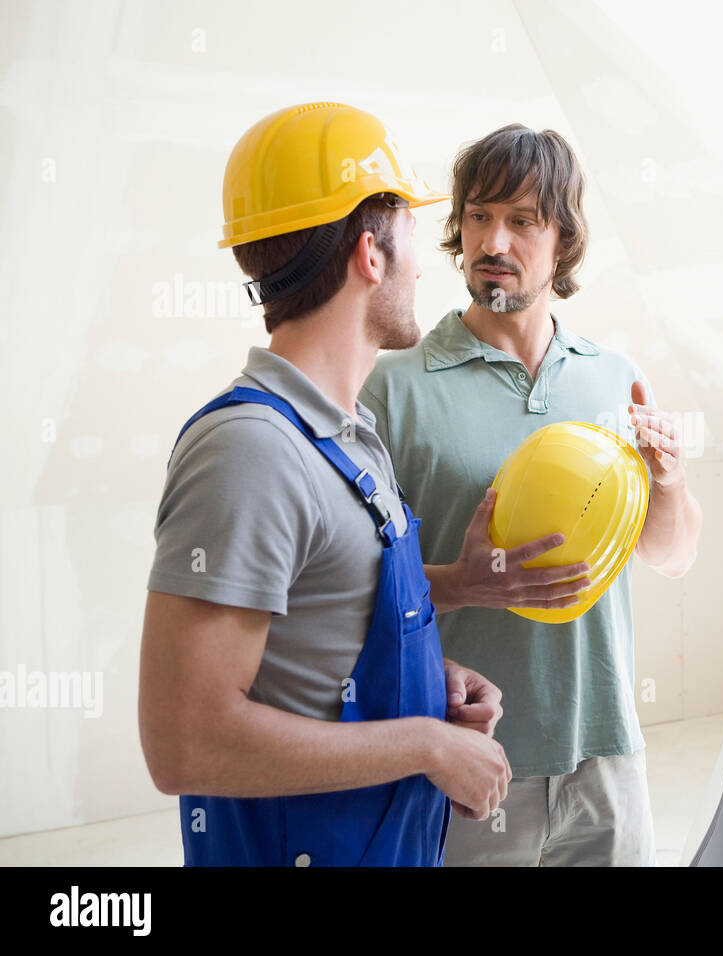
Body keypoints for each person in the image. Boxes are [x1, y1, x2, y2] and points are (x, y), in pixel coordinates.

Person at [138, 103, 511, 867]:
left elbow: (318, 624)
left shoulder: (346, 433)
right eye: (410, 234)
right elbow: (185, 741)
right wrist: (424, 744)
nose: (419, 263)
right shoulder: (250, 451)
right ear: (370, 253)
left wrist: (418, 682)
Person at [362, 124, 702, 866]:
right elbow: (353, 587)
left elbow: (672, 557)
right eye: (479, 216)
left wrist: (669, 482)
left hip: (607, 752)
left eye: (522, 220)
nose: (494, 241)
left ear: (564, 241)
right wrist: (461, 584)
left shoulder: (613, 376)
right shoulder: (395, 387)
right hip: (470, 757)